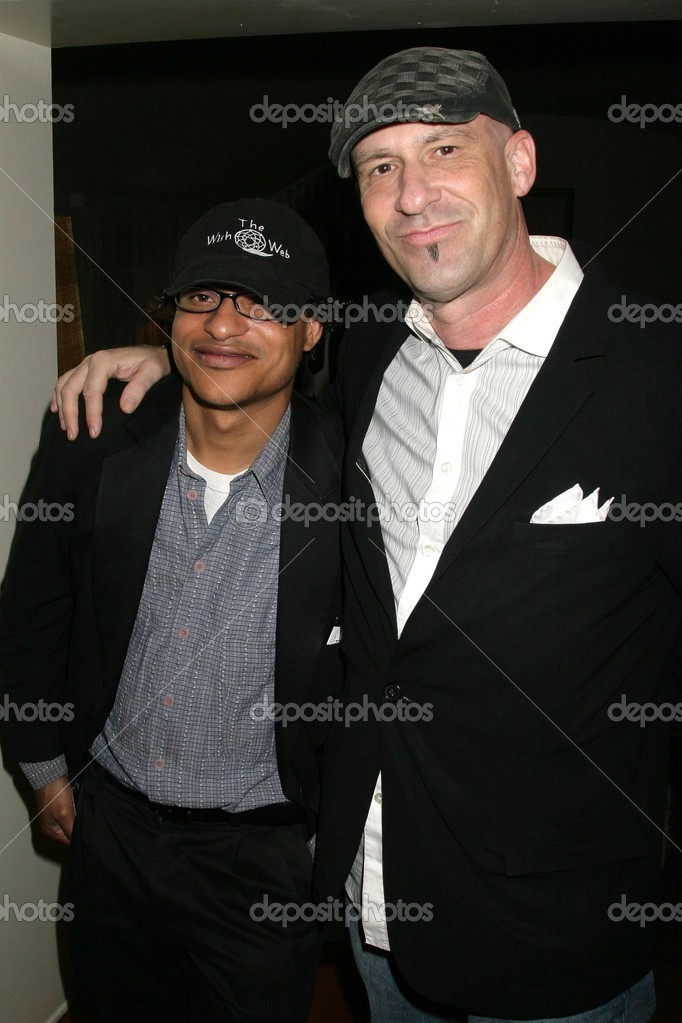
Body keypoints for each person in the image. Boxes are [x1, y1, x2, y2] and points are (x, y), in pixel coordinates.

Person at [48, 48, 681, 1023]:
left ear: (517, 162)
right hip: (370, 911)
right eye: (380, 166)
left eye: (441, 148)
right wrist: (171, 358)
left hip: (555, 939)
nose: (411, 192)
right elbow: (255, 381)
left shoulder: (654, 377)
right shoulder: (374, 354)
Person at [0, 198, 345, 1023]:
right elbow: (33, 605)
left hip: (265, 855)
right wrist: (42, 766)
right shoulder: (91, 435)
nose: (224, 323)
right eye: (204, 297)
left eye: (262, 302)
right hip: (108, 831)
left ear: (312, 330)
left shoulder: (357, 480)